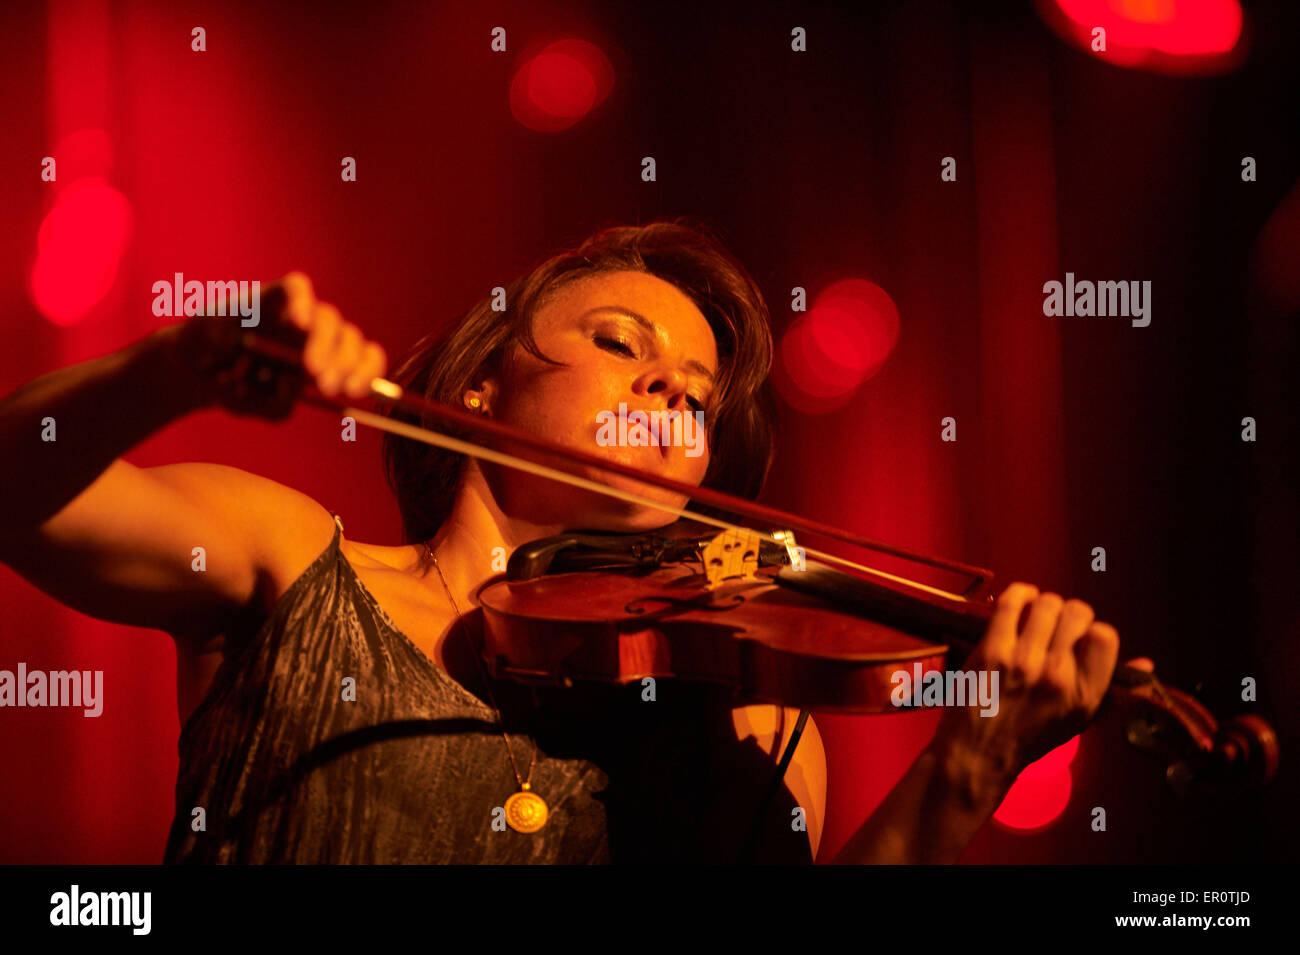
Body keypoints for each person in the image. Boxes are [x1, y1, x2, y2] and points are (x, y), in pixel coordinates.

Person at [0, 219, 1119, 864]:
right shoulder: (291, 560)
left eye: (695, 393)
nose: (667, 388)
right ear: (484, 376)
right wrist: (171, 369)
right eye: (619, 340)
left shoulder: (752, 715)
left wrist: (965, 768)